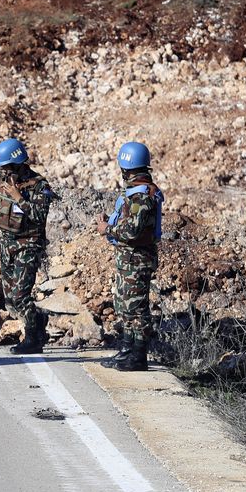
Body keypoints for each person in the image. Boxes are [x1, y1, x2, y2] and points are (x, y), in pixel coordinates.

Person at [0, 138, 55, 354]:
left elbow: (39, 216)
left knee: (21, 295)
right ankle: (38, 320)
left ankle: (32, 339)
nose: (5, 172)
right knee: (10, 299)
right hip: (6, 244)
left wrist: (18, 197)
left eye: (8, 167)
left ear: (19, 164)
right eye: (3, 168)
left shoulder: (39, 186)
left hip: (29, 245)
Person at [96, 141, 165, 372]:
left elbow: (133, 231)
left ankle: (138, 355)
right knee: (124, 305)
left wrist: (108, 229)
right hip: (129, 259)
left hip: (137, 259)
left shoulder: (142, 196)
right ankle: (127, 350)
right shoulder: (136, 193)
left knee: (137, 308)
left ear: (127, 168)